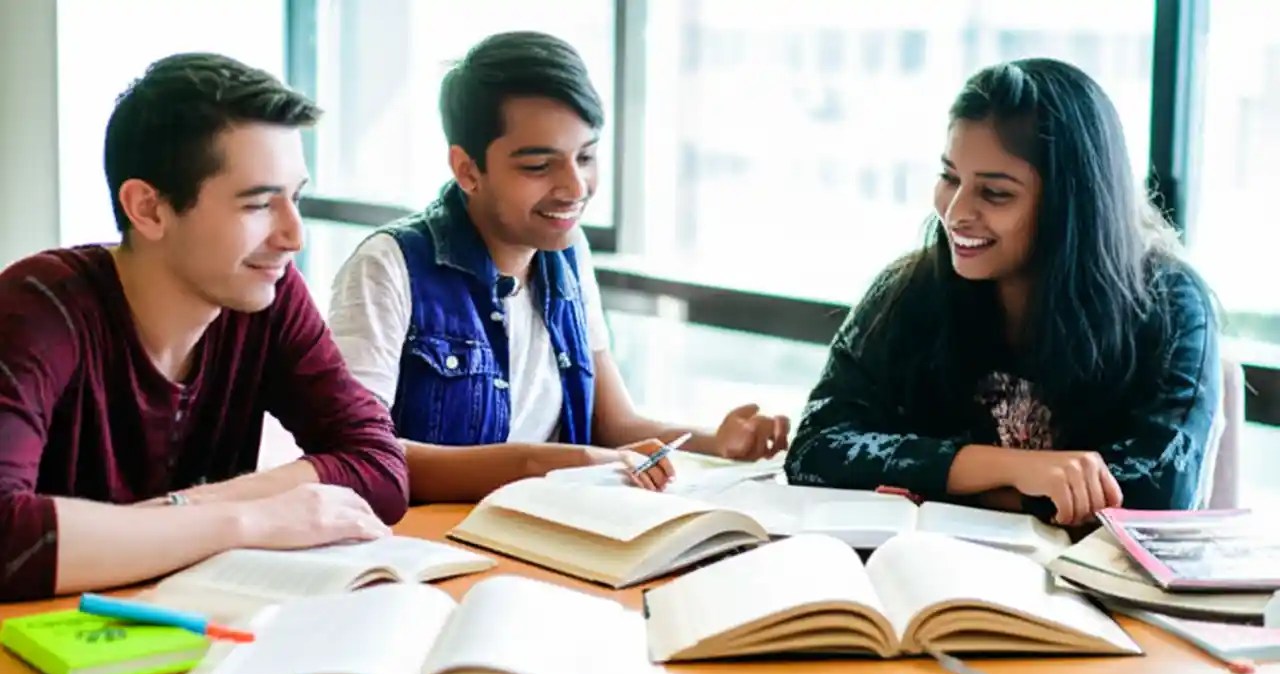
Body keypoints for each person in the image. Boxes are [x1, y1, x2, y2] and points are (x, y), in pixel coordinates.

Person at [0, 53, 409, 602]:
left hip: (188, 622)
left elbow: (378, 465)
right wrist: (253, 520)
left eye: (296, 198)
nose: (294, 236)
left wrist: (191, 508)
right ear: (149, 209)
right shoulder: (39, 305)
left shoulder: (266, 295)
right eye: (259, 204)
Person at [328, 31, 789, 502]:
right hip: (433, 535)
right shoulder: (388, 267)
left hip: (551, 524)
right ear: (467, 170)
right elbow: (360, 456)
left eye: (585, 156)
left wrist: (717, 442)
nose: (576, 187)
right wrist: (546, 464)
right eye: (538, 166)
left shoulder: (567, 252)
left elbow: (614, 424)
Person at [785, 59, 1220, 526]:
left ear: (1071, 206)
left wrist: (944, 484)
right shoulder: (909, 290)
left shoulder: (1170, 304)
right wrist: (1014, 469)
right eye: (950, 177)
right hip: (929, 562)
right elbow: (815, 449)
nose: (955, 212)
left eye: (995, 194)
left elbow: (1156, 494)